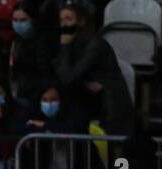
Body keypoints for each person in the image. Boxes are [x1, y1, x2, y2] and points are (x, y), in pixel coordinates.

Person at [53, 0, 134, 135]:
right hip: (88, 101)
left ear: (81, 21)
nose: (64, 24)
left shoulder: (95, 44)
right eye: (61, 20)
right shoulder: (69, 44)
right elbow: (61, 75)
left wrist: (65, 48)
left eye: (68, 19)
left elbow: (68, 78)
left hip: (110, 105)